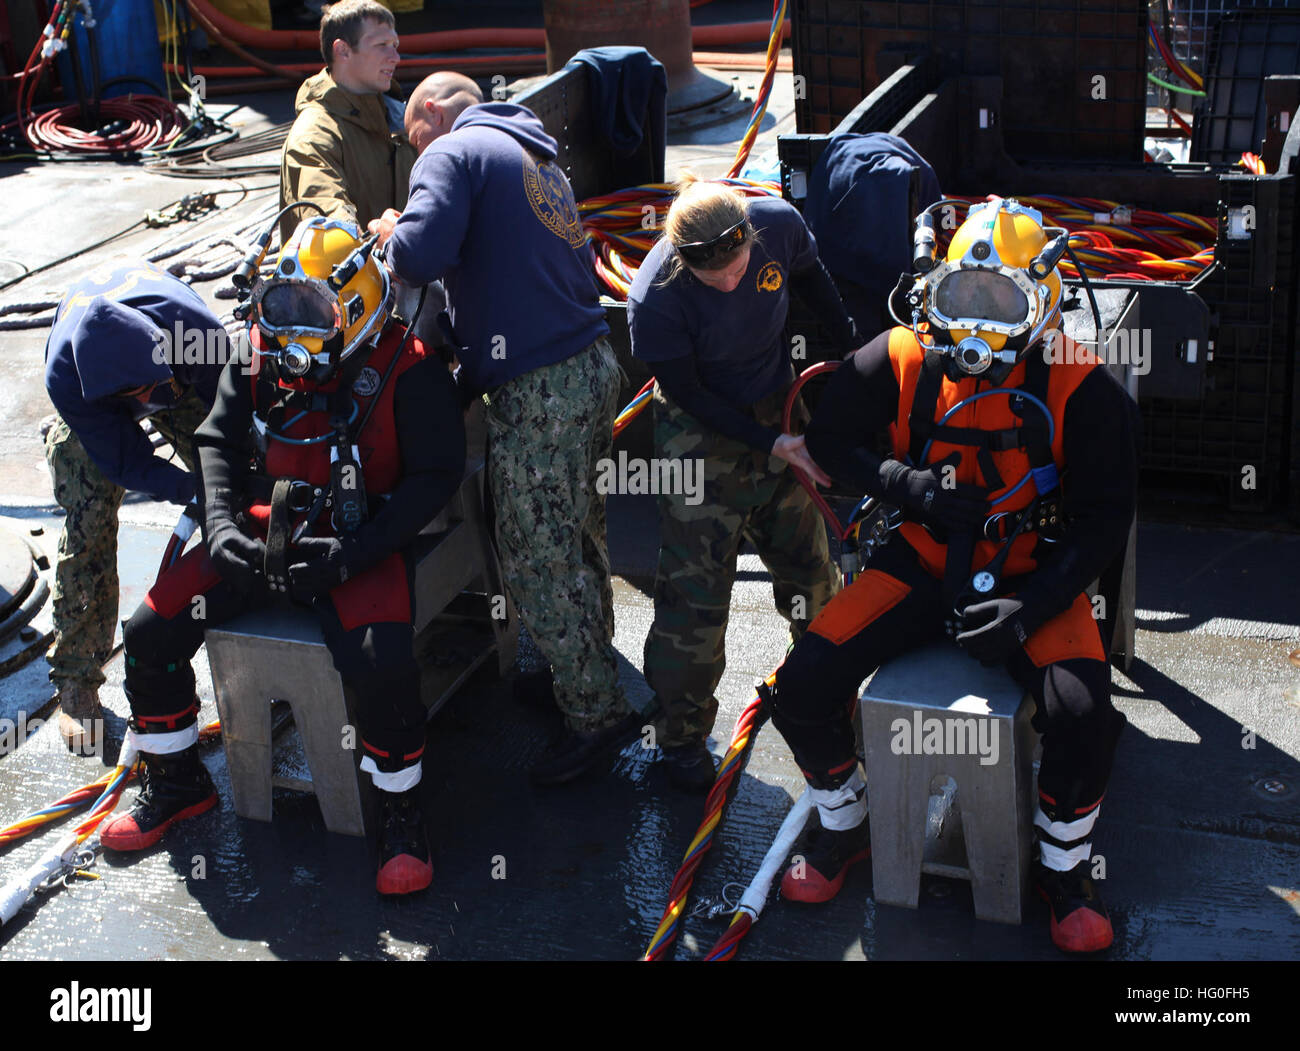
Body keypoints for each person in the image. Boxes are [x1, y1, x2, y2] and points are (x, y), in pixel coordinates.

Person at [766, 197, 1137, 953]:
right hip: (922, 555)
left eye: (1001, 301)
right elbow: (831, 439)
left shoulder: (1085, 387)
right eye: (963, 298)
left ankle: (1063, 865)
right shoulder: (901, 354)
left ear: (1043, 302)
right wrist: (906, 485)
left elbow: (1102, 523)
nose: (979, 324)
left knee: (1082, 712)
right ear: (935, 291)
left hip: (1031, 570)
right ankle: (846, 820)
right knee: (801, 684)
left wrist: (1030, 611)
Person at [99, 217, 466, 897]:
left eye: (312, 312)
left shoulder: (408, 368)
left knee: (382, 660)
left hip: (358, 536)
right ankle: (178, 781)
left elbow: (436, 475)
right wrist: (220, 525)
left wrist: (356, 552)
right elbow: (216, 441)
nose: (292, 328)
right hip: (262, 529)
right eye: (283, 306)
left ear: (354, 308)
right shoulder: (259, 350)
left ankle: (400, 810)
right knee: (150, 632)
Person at [371, 73, 644, 787]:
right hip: (590, 365)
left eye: (411, 140)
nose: (415, 153)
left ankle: (595, 714)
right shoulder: (533, 153)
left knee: (535, 557)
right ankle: (582, 672)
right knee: (578, 535)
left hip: (541, 390)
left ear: (428, 114)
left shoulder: (450, 154)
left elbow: (420, 256)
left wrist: (390, 231)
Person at [625, 177, 860, 791]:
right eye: (715, 280)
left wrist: (852, 350)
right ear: (683, 262)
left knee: (811, 570)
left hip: (778, 404)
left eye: (738, 269)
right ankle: (680, 739)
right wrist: (770, 445)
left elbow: (810, 275)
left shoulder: (777, 224)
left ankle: (827, 694)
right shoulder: (656, 301)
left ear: (751, 236)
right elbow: (689, 394)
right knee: (694, 601)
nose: (731, 284)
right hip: (699, 434)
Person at [42, 264, 228, 753]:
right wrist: (190, 488)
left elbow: (237, 411)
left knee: (241, 484)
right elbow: (127, 463)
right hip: (98, 403)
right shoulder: (67, 378)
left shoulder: (196, 334)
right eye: (140, 396)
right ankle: (76, 681)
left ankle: (263, 627)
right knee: (88, 522)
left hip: (180, 369)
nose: (152, 402)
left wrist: (221, 484)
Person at [279, 0, 414, 245]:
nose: (395, 57)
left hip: (405, 275)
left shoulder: (400, 118)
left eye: (395, 45)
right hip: (353, 278)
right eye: (382, 45)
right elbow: (327, 221)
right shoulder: (313, 136)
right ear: (342, 50)